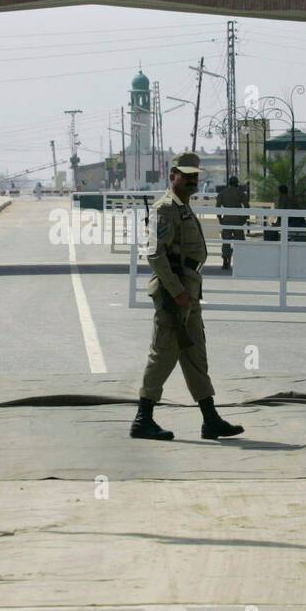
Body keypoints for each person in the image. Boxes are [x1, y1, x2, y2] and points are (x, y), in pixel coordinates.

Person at [131, 152, 245, 441]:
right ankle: (143, 419)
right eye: (186, 175)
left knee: (195, 353)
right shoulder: (167, 208)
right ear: (173, 176)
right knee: (164, 354)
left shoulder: (182, 206)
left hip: (189, 289)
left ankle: (210, 419)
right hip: (175, 293)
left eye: (195, 175)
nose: (192, 180)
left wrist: (187, 292)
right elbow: (156, 255)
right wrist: (178, 292)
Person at [215, 175, 249, 270]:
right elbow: (246, 207)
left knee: (226, 241)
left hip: (227, 219)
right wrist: (245, 218)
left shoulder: (222, 193)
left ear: (229, 183)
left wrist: (220, 219)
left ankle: (225, 262)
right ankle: (240, 262)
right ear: (237, 184)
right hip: (238, 220)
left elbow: (217, 207)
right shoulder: (240, 193)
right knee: (239, 241)